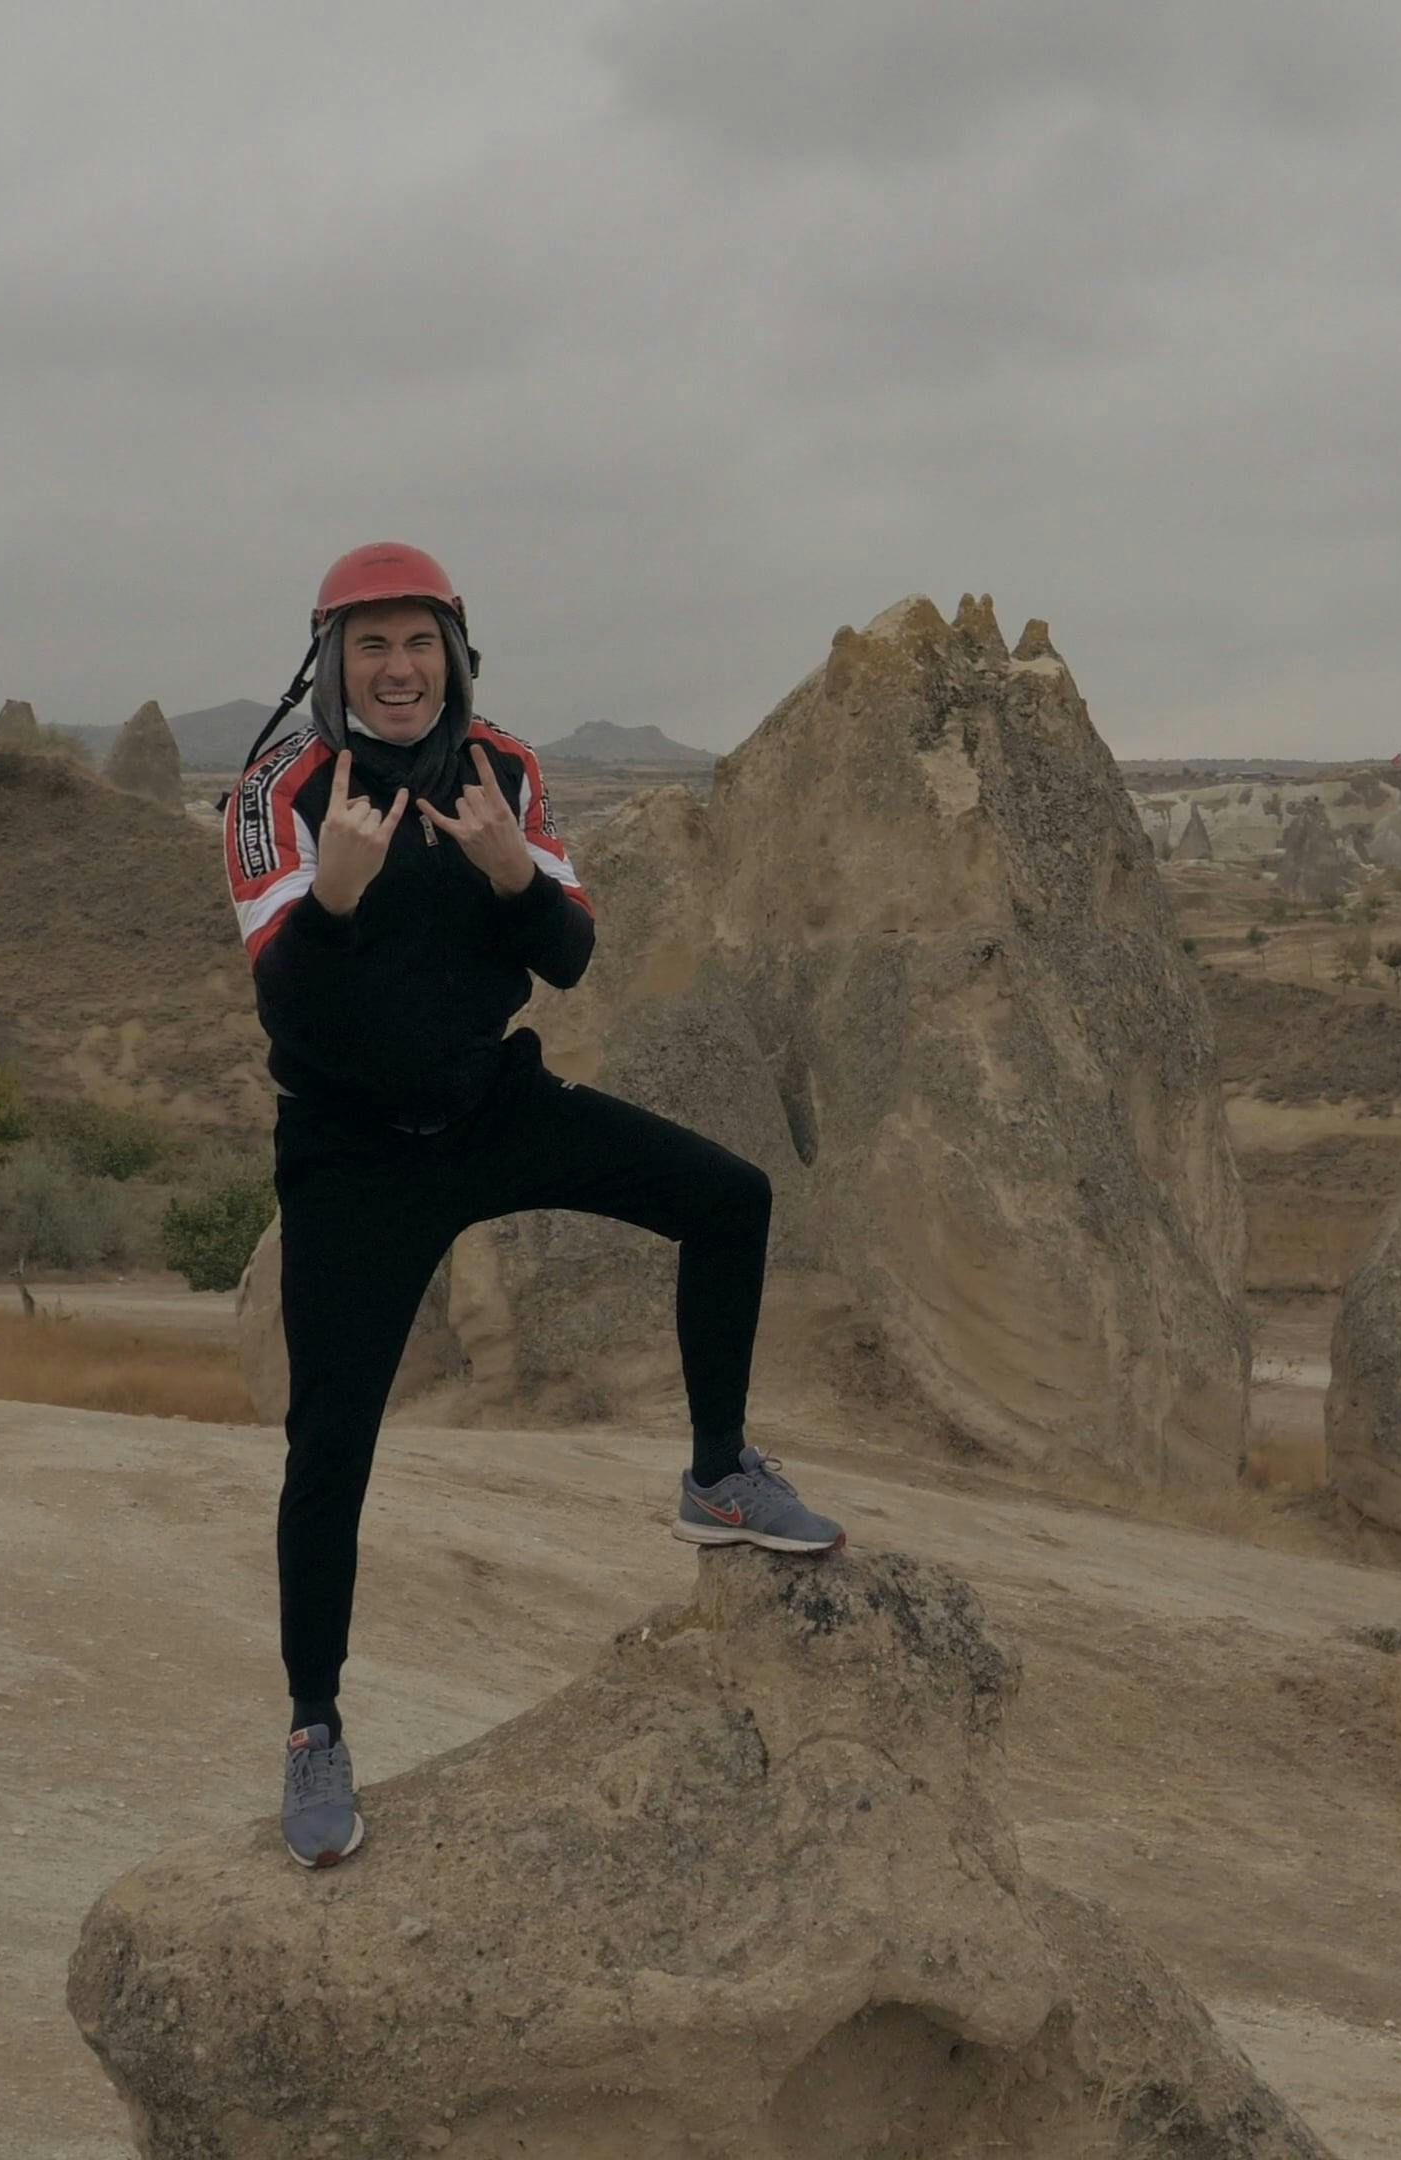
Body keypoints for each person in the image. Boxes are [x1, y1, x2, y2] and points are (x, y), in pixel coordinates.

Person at [224, 541, 841, 1869]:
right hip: (352, 1156)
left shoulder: (502, 767)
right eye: (371, 646)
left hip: (497, 1110)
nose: (399, 670)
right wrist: (334, 896)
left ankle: (719, 1472)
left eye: (419, 643)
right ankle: (314, 1729)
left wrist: (511, 867)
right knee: (330, 1447)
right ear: (330, 663)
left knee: (728, 1200)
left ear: (453, 650)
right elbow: (292, 1003)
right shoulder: (278, 792)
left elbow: (563, 958)